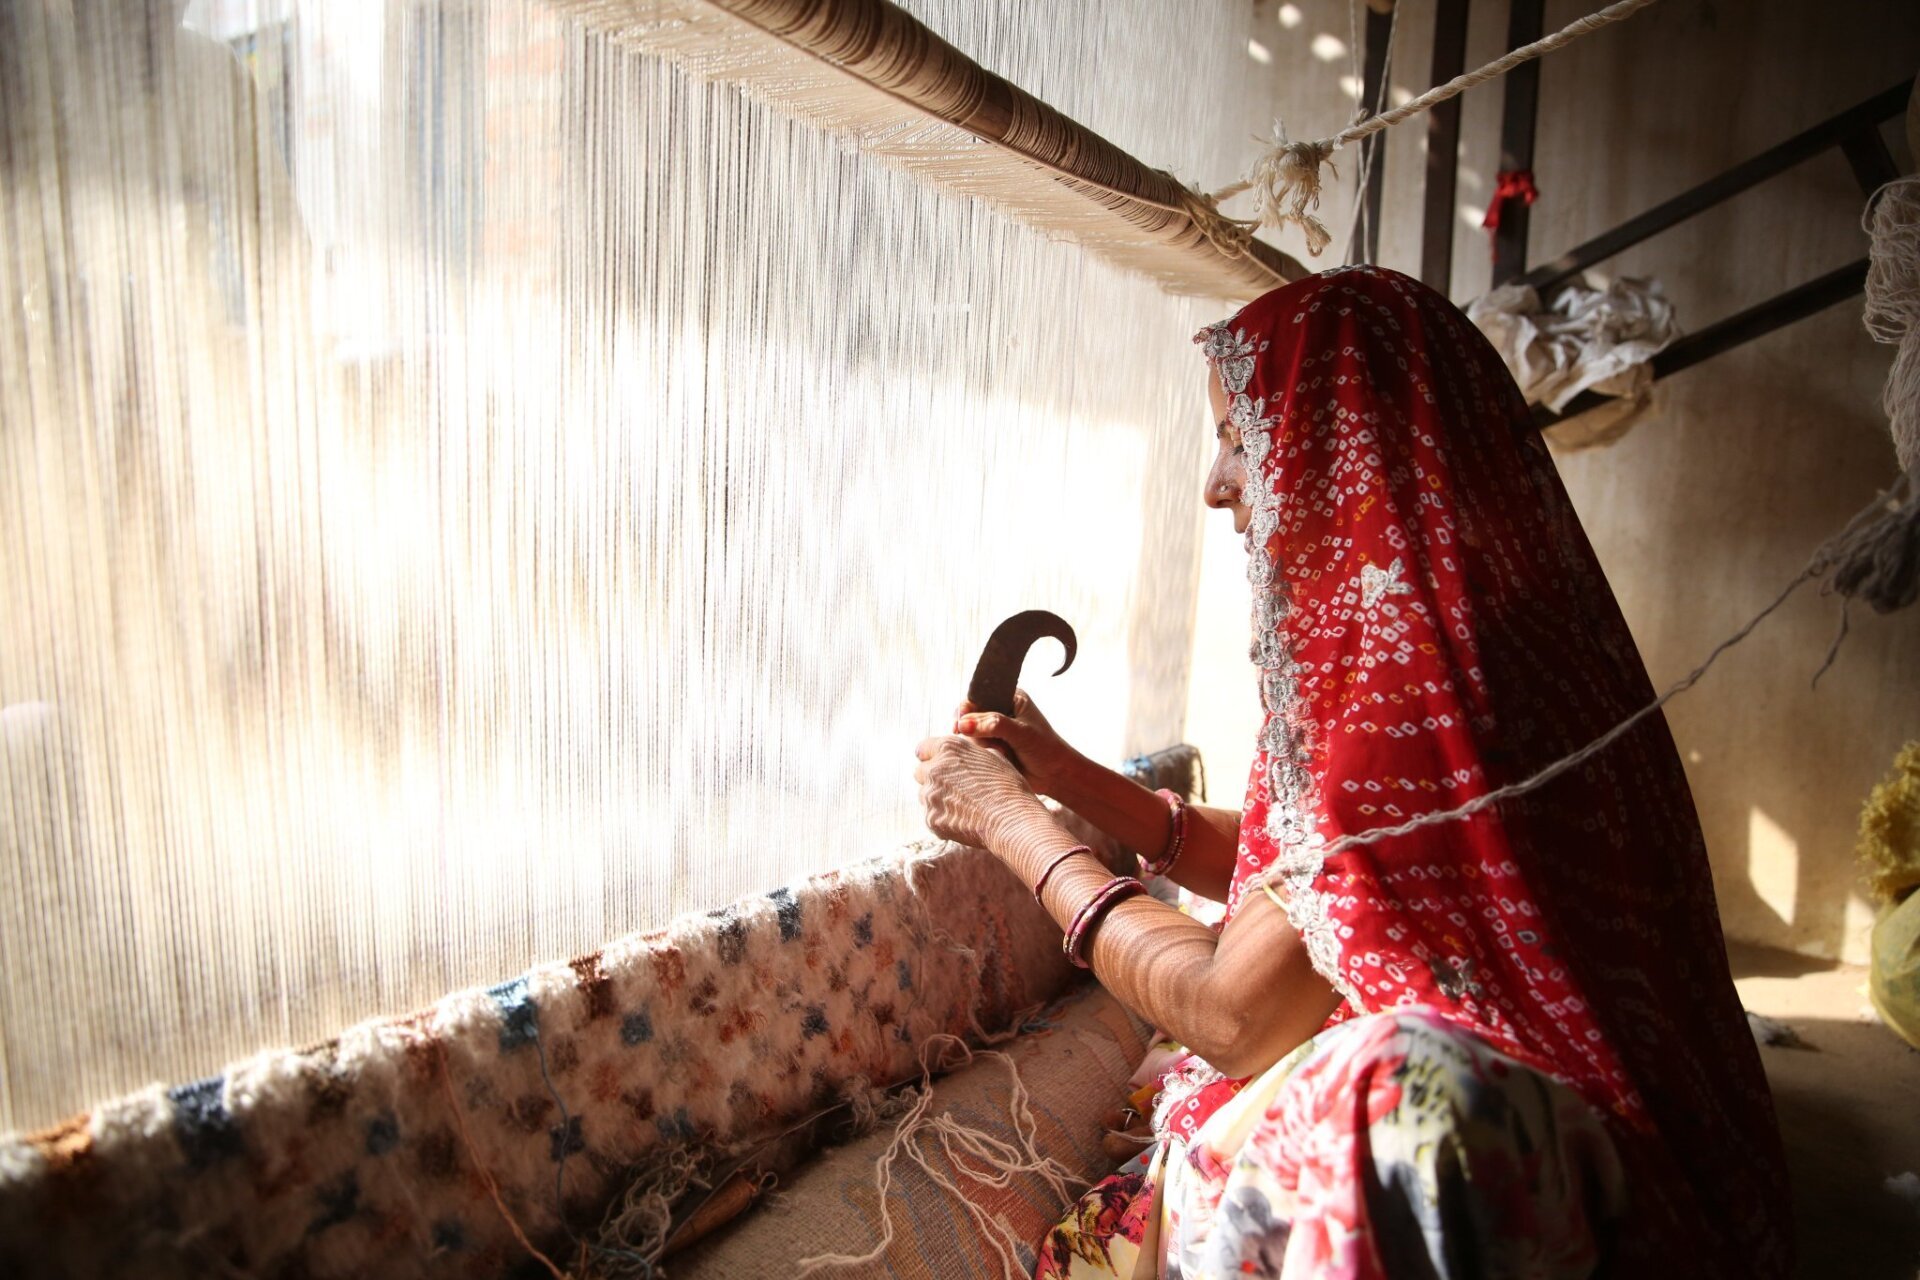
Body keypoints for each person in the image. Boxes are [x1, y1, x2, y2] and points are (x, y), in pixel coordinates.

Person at [913, 266, 1791, 1279]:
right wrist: (1073, 775)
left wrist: (1014, 824)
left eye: (1242, 439)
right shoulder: (1495, 643)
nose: (1215, 482)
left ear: (1346, 456)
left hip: (1523, 1177)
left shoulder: (1395, 692)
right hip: (1661, 1167)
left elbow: (1233, 1014)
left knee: (1402, 1090)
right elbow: (1335, 887)